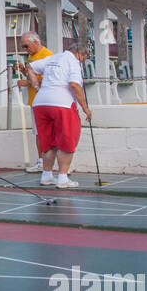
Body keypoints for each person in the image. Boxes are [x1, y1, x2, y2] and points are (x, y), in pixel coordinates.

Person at [22, 40, 93, 188]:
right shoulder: (73, 62)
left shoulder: (53, 58)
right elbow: (74, 85)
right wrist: (85, 108)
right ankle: (62, 178)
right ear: (80, 54)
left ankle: (46, 175)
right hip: (62, 103)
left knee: (47, 142)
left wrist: (36, 86)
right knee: (66, 140)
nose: (83, 61)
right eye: (84, 58)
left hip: (41, 102)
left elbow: (30, 67)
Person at [12, 30, 52, 171]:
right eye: (23, 47)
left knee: (44, 132)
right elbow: (32, 74)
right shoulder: (31, 56)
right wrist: (23, 70)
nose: (25, 49)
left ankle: (46, 163)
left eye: (26, 46)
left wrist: (27, 82)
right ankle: (41, 161)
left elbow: (47, 78)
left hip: (44, 100)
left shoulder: (47, 56)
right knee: (38, 133)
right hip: (34, 100)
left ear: (35, 42)